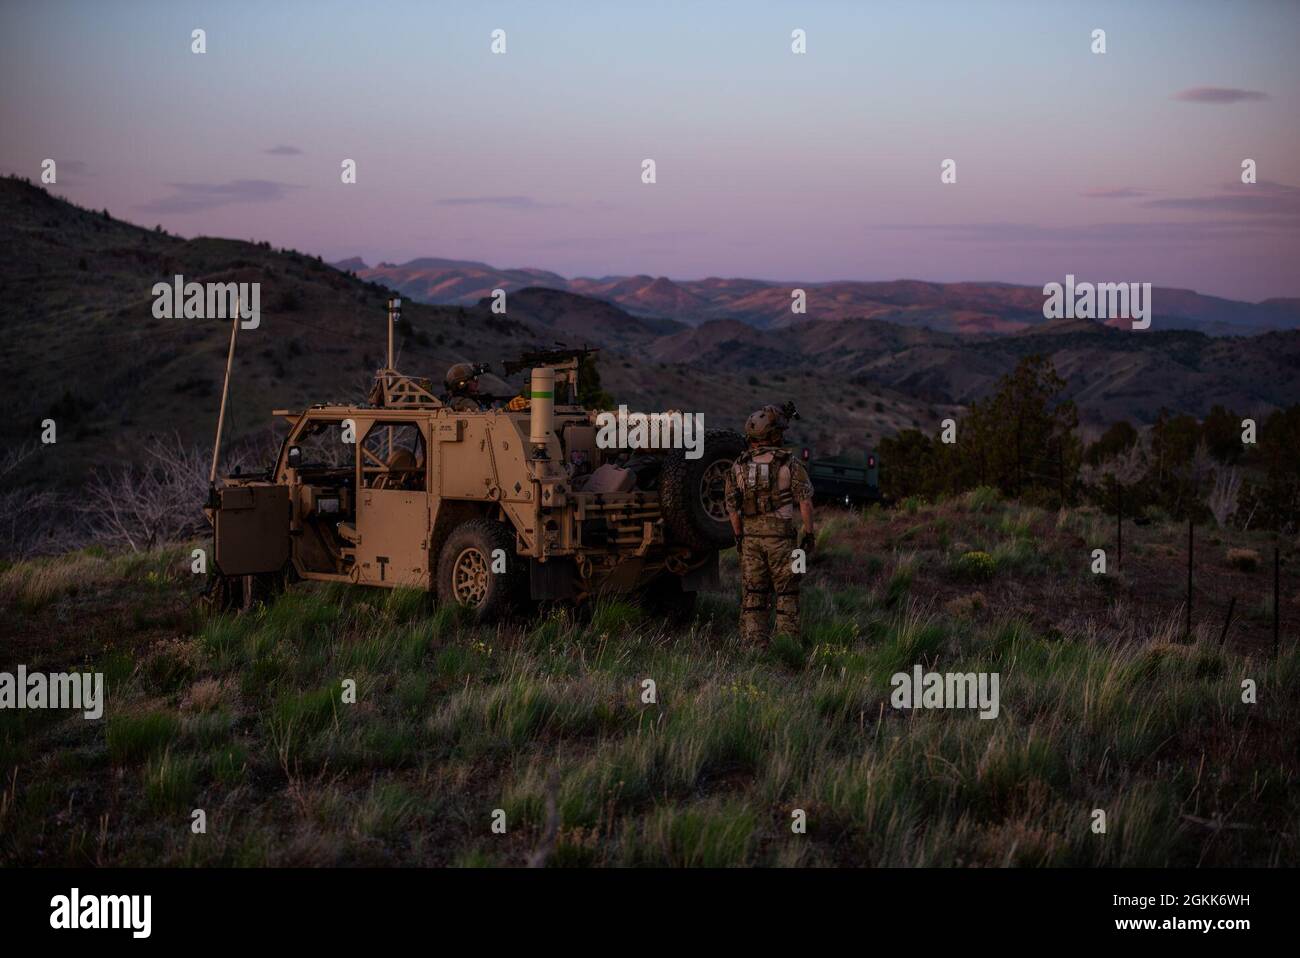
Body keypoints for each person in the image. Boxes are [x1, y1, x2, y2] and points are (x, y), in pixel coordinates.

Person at [724, 404, 815, 645]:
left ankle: (755, 647)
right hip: (784, 542)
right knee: (788, 592)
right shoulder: (790, 464)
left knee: (753, 595)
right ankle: (787, 646)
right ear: (773, 435)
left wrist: (739, 537)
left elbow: (732, 509)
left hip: (751, 541)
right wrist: (809, 534)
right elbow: (805, 503)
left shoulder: (737, 466)